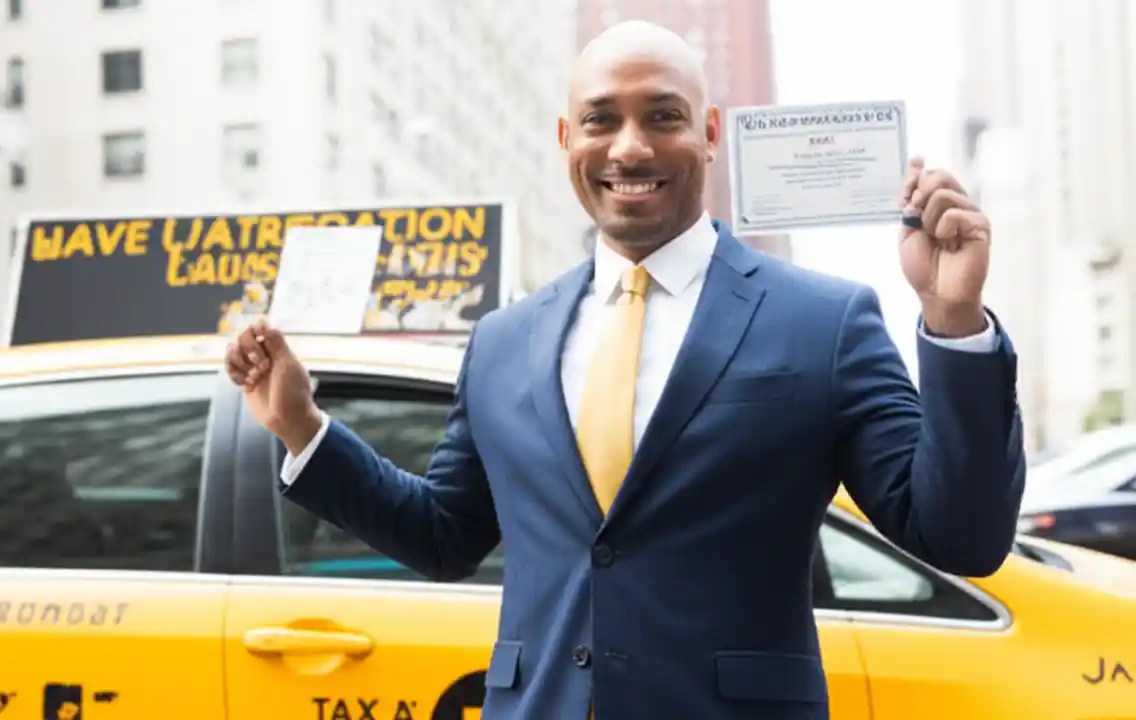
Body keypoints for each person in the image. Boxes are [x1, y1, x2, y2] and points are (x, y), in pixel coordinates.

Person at [225, 20, 1025, 720]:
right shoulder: (504, 340)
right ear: (566, 139)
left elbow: (959, 534)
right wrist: (303, 428)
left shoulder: (824, 322)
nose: (631, 147)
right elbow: (445, 537)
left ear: (710, 133)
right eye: (601, 120)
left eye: (663, 117)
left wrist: (952, 321)